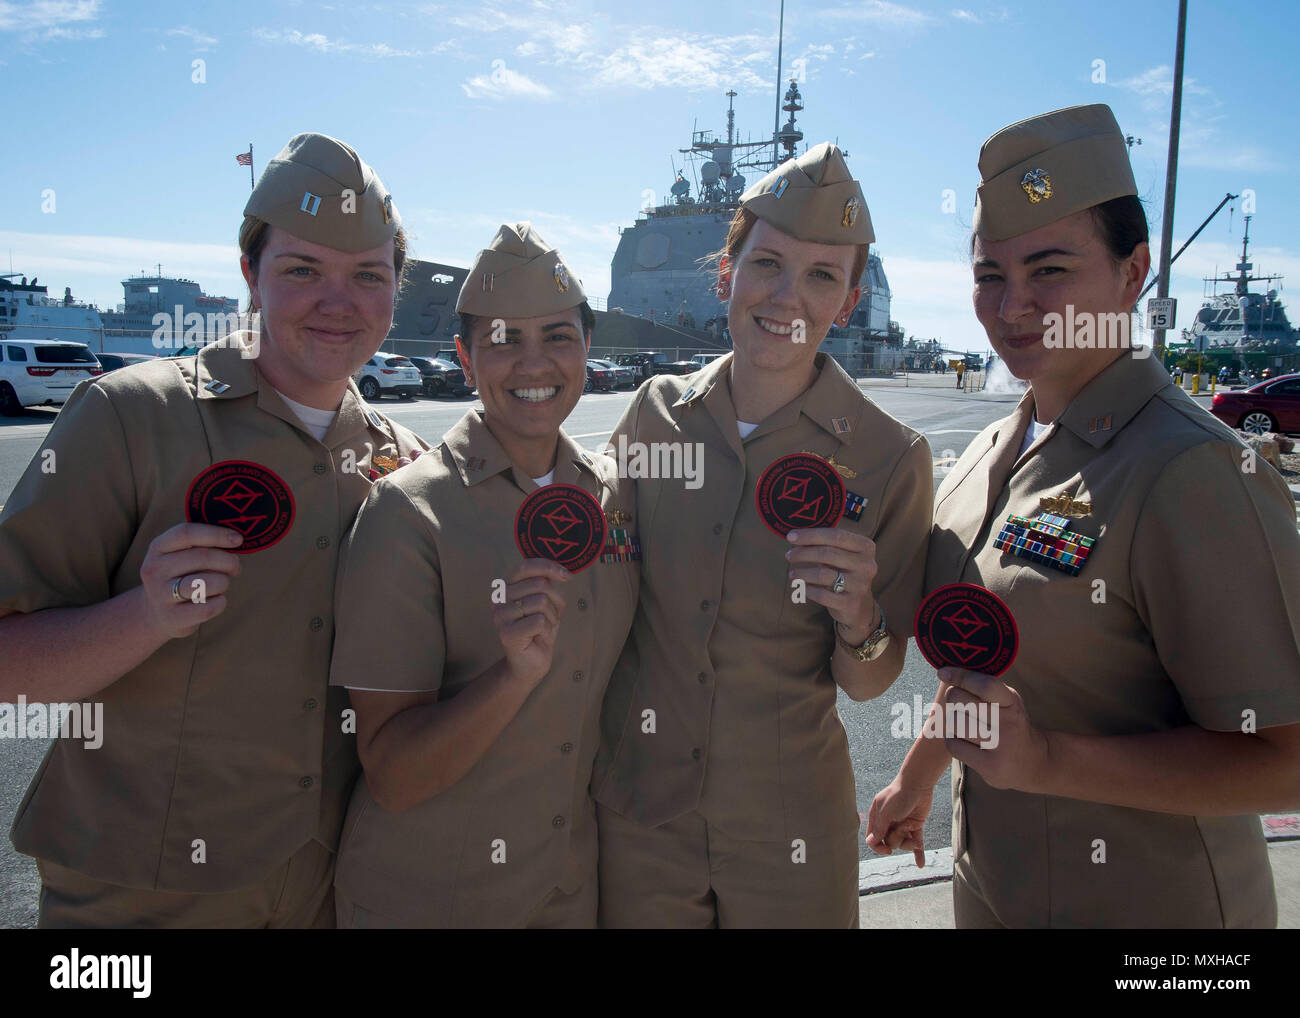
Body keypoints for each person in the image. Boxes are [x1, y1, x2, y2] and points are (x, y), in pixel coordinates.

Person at [866, 104, 1300, 928]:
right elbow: (983, 663)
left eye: (1051, 269)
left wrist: (1050, 761)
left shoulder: (1193, 471)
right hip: (993, 878)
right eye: (991, 275)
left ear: (1133, 274)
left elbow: (1286, 762)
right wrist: (918, 774)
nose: (1012, 305)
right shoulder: (998, 445)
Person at [0, 133, 427, 928]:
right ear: (250, 277)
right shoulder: (130, 418)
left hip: (329, 888)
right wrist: (143, 616)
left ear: (394, 291)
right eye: (302, 270)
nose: (337, 303)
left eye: (367, 275)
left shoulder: (403, 463)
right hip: (139, 896)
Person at [594, 143, 933, 928]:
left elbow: (873, 681)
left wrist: (861, 622)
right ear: (727, 274)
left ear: (847, 301)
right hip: (643, 814)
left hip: (789, 826)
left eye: (822, 275)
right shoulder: (653, 414)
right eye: (767, 264)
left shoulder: (891, 459)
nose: (789, 295)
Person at [328, 223, 639, 928]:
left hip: (566, 890)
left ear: (588, 350)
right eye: (504, 340)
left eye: (558, 336)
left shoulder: (611, 499)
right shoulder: (408, 513)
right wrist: (513, 679)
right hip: (433, 897)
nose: (534, 363)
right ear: (466, 359)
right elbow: (395, 776)